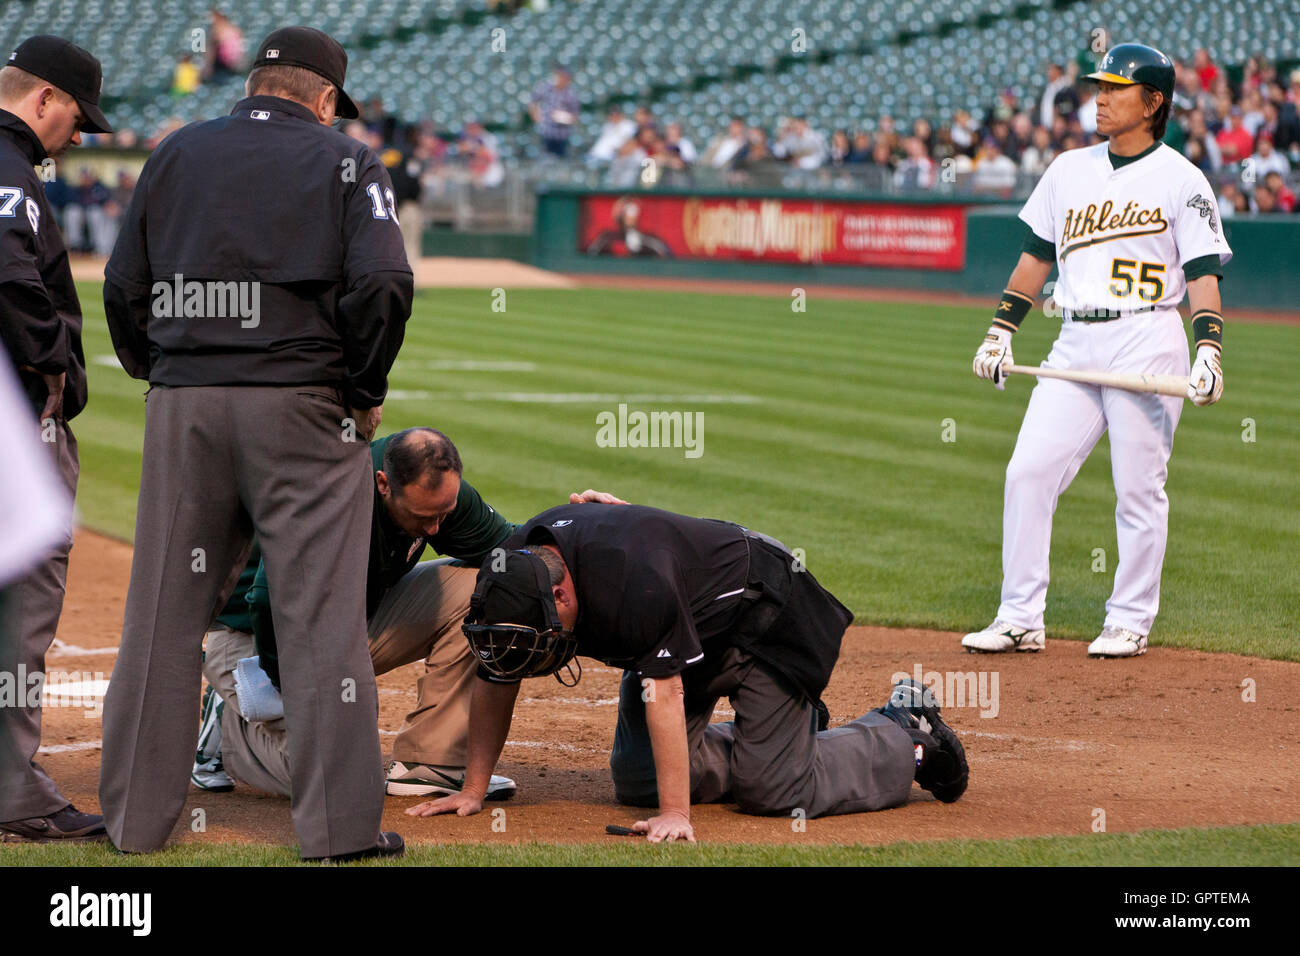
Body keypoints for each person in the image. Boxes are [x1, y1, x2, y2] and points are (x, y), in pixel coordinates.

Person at [99, 26, 412, 861]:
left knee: (161, 620)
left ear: (256, 84)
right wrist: (364, 390)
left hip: (186, 404)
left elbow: (122, 284)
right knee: (319, 624)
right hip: (304, 410)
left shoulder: (176, 153)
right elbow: (383, 281)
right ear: (323, 97)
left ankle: (133, 827)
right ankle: (338, 835)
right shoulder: (347, 161)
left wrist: (159, 370)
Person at [406, 503, 969, 842]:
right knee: (637, 782)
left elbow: (665, 691)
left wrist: (676, 814)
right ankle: (785, 738)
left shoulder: (633, 585)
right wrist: (473, 789)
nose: (532, 654)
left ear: (561, 590)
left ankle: (905, 732)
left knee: (774, 789)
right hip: (683, 628)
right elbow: (497, 673)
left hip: (762, 617)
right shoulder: (515, 565)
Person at [964, 44, 1231, 659]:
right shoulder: (1068, 169)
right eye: (1099, 86)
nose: (1101, 97)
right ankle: (1019, 615)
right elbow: (1035, 259)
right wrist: (1001, 330)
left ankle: (1129, 619)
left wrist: (1209, 347)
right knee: (1028, 471)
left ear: (1154, 102)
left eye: (1116, 88)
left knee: (1138, 487)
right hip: (1074, 338)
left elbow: (1202, 274)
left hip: (1148, 335)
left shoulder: (1183, 180)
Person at [191, 425, 624, 800]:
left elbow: (512, 552)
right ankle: (230, 727)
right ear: (383, 484)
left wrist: (578, 527)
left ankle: (430, 765)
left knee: (487, 585)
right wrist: (286, 684)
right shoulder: (328, 496)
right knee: (336, 778)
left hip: (350, 617)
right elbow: (266, 600)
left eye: (445, 515)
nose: (436, 530)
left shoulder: (439, 493)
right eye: (424, 518)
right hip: (255, 636)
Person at [0, 34, 113, 844]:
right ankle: (12, 792)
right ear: (41, 99)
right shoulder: (12, 177)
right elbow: (10, 275)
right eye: (75, 116)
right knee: (21, 612)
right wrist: (49, 367)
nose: (77, 135)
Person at [528, 64, 579, 157]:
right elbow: (533, 102)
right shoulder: (546, 87)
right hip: (546, 131)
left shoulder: (571, 93)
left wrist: (564, 117)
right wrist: (536, 117)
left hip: (563, 134)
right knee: (545, 159)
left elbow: (575, 115)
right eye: (561, 76)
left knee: (561, 160)